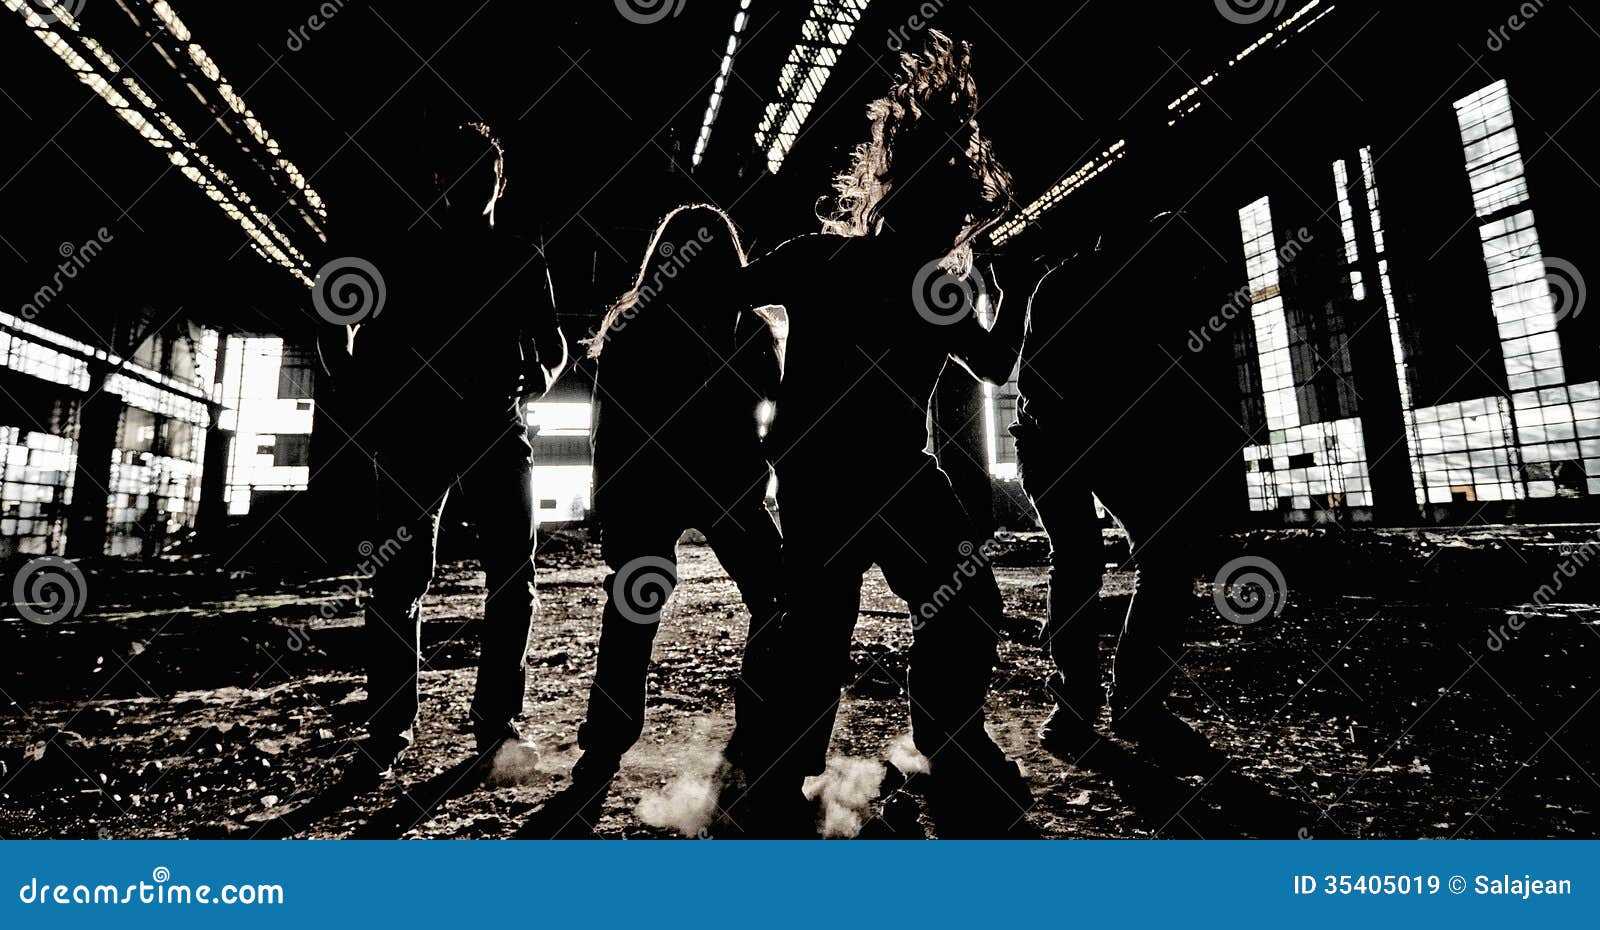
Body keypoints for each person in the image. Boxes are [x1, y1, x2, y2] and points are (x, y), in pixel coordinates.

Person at [733, 31, 1033, 837]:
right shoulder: (931, 285)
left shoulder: (816, 258)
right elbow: (999, 363)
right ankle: (944, 742)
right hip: (887, 476)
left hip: (829, 475)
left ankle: (782, 779)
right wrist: (1009, 289)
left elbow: (716, 292)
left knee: (823, 628)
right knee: (959, 602)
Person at [340, 121, 567, 786]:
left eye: (479, 176)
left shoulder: (517, 258)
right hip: (442, 434)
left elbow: (552, 346)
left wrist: (544, 376)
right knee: (430, 583)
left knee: (458, 582)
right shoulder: (408, 256)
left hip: (476, 431)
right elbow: (365, 349)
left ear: (496, 185)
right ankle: (411, 730)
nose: (466, 186)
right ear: (440, 182)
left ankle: (447, 728)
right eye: (455, 175)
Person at [562, 204, 784, 825]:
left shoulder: (632, 322)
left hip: (648, 484)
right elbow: (779, 415)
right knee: (776, 599)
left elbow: (610, 427)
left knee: (633, 610)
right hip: (725, 480)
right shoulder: (747, 325)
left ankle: (602, 747)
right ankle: (759, 729)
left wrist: (609, 502)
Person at [1013, 212, 1244, 772]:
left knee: (1123, 556)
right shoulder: (1074, 285)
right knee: (1089, 555)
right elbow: (1037, 383)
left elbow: (1170, 384)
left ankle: (1107, 705)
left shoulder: (1127, 289)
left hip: (1099, 438)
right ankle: (1098, 704)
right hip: (1056, 438)